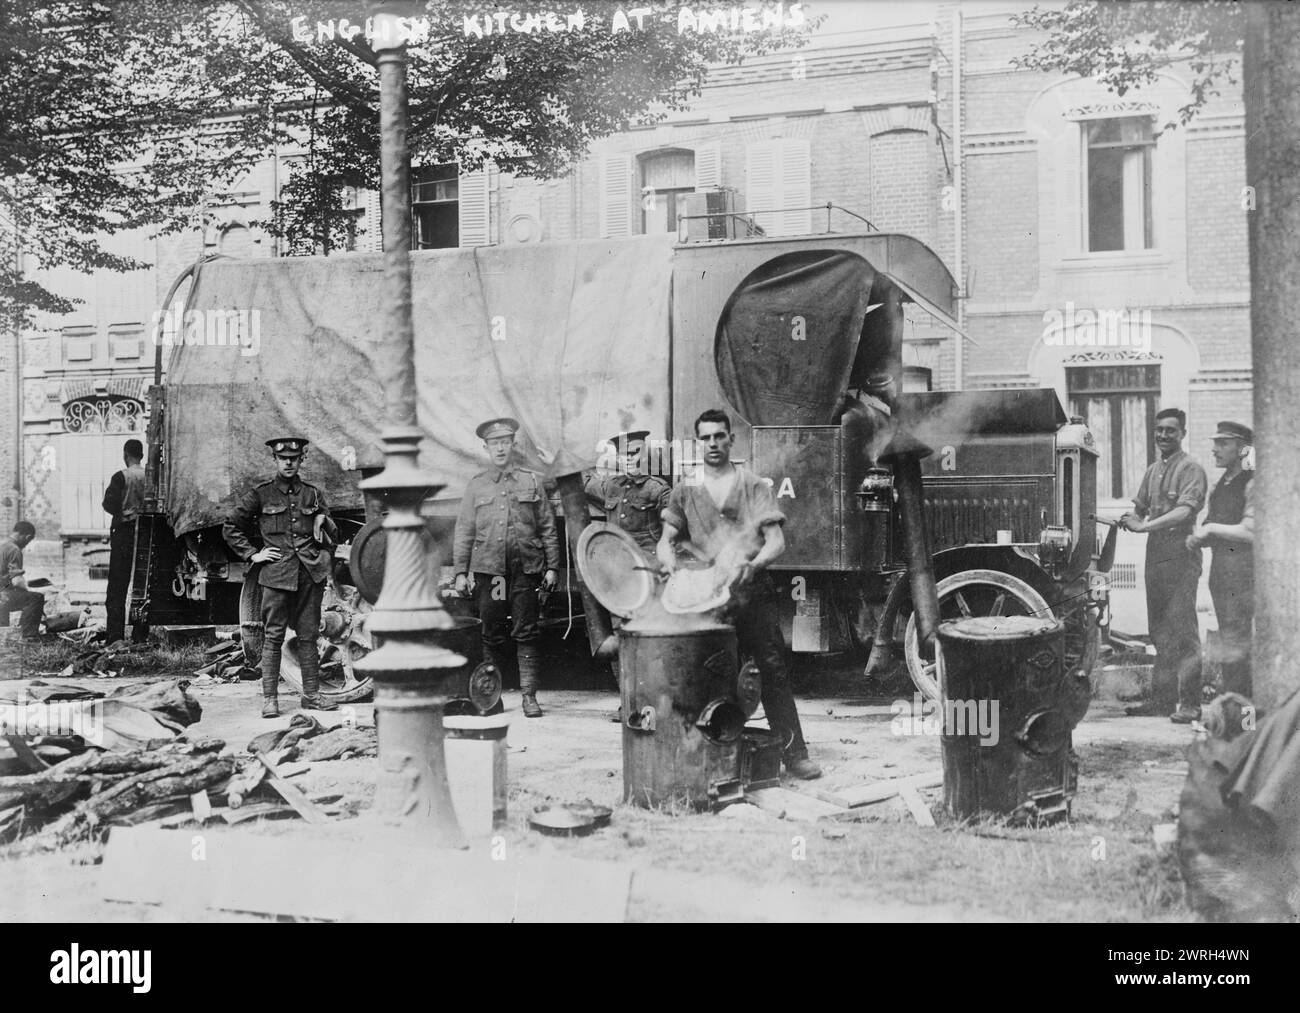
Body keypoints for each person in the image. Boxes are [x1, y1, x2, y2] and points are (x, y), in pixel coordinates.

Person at [656, 408, 822, 780]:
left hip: (751, 591)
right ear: (697, 442)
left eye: (720, 436)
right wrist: (667, 561)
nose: (713, 443)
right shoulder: (686, 489)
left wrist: (754, 564)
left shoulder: (753, 485)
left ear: (731, 439)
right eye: (706, 437)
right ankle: (703, 756)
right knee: (706, 674)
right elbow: (666, 542)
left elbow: (776, 542)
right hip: (706, 596)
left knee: (771, 671)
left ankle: (795, 754)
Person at [223, 437, 338, 718]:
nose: (288, 462)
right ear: (275, 460)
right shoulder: (261, 495)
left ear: (301, 460)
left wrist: (325, 522)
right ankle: (270, 699)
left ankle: (311, 695)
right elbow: (230, 526)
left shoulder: (313, 495)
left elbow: (332, 536)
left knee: (309, 636)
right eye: (283, 458)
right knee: (273, 637)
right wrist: (253, 555)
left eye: (294, 458)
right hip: (276, 576)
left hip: (309, 574)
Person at [453, 418, 560, 718]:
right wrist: (461, 571)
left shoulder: (531, 481)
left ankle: (529, 697)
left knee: (526, 630)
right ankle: (491, 696)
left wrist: (553, 567)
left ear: (513, 445)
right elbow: (464, 530)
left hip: (525, 570)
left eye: (505, 442)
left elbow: (548, 527)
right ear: (486, 448)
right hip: (494, 574)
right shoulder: (477, 486)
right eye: (494, 443)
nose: (500, 448)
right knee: (492, 631)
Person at [1120, 408, 1208, 723]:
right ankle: (1162, 701)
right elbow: (1138, 510)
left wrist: (1145, 525)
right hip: (1155, 554)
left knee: (1183, 631)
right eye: (1159, 430)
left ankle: (1191, 705)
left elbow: (1185, 511)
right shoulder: (1152, 470)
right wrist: (1130, 520)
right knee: (1159, 631)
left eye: (1170, 430)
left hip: (1181, 554)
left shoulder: (1192, 469)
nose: (1163, 436)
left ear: (1182, 433)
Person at [1187, 420, 1254, 699]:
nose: (1215, 449)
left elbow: (1251, 531)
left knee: (1241, 649)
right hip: (1222, 575)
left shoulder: (1253, 483)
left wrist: (1211, 531)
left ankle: (1248, 725)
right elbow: (1211, 527)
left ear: (1242, 449)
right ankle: (1236, 721)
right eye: (1215, 442)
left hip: (1246, 575)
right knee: (1229, 646)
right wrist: (1197, 538)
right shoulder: (1220, 485)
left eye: (1223, 443)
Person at [101, 438, 146, 645]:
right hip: (146, 535)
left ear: (125, 454)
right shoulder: (151, 477)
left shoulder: (121, 476)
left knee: (117, 587)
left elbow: (109, 504)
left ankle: (115, 637)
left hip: (124, 534)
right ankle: (140, 636)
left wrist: (121, 511)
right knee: (143, 586)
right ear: (142, 455)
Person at [0, 521, 45, 641]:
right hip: (2, 597)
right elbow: (17, 581)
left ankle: (4, 634)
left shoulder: (2, 544)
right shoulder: (14, 549)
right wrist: (28, 590)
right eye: (28, 541)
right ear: (27, 537)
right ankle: (28, 637)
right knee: (36, 598)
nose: (26, 545)